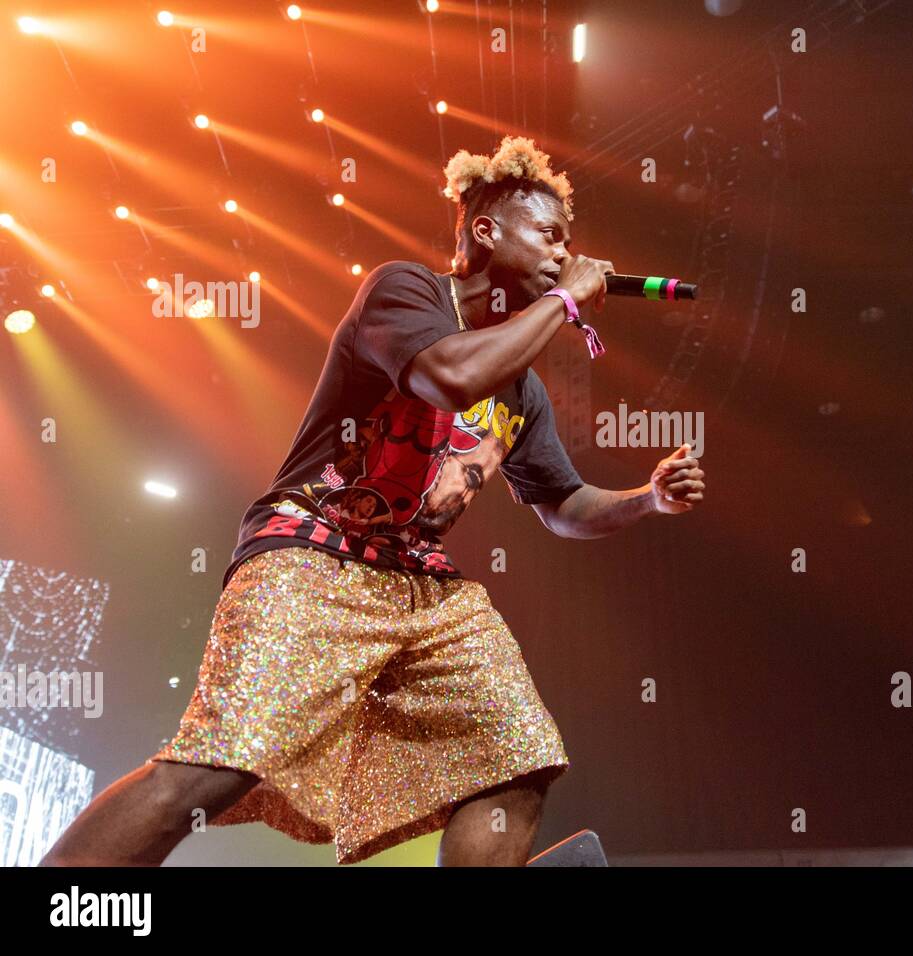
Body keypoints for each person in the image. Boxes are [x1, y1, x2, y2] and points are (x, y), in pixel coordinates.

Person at [40, 135, 706, 867]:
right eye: (550, 234)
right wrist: (562, 300)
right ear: (486, 230)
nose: (564, 252)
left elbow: (564, 505)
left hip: (422, 586)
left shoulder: (522, 388)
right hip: (311, 552)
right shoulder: (406, 291)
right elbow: (450, 378)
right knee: (215, 767)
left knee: (518, 757)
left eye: (569, 245)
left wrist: (647, 500)